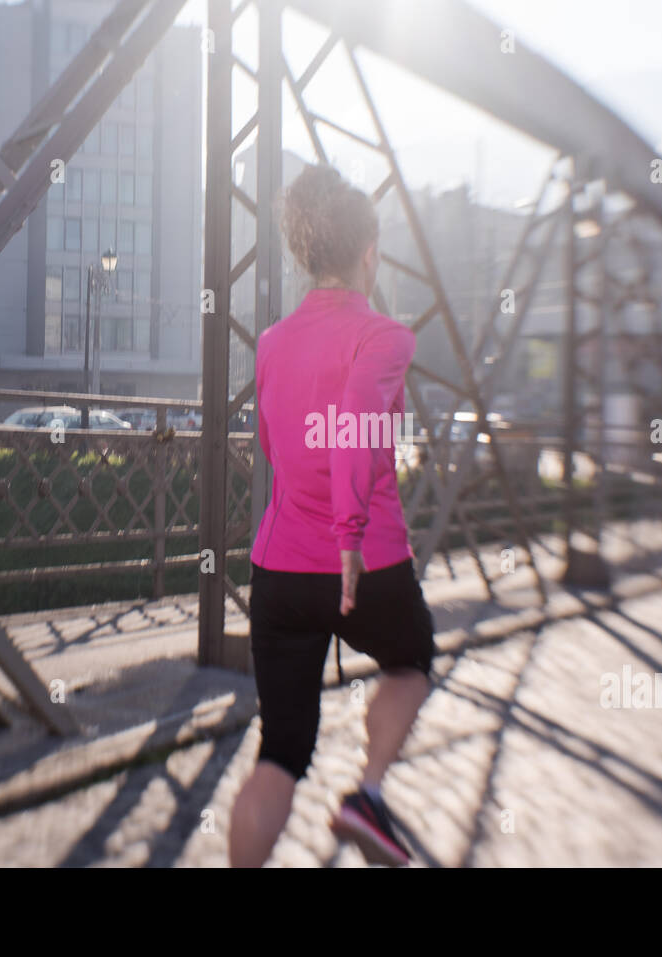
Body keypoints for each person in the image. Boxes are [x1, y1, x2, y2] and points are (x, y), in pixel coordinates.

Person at [228, 164, 436, 868]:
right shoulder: (385, 337)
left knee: (280, 750)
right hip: (365, 563)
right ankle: (367, 796)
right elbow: (352, 426)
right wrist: (348, 536)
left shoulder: (271, 344)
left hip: (279, 567)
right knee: (410, 662)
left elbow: (274, 445)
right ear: (368, 254)